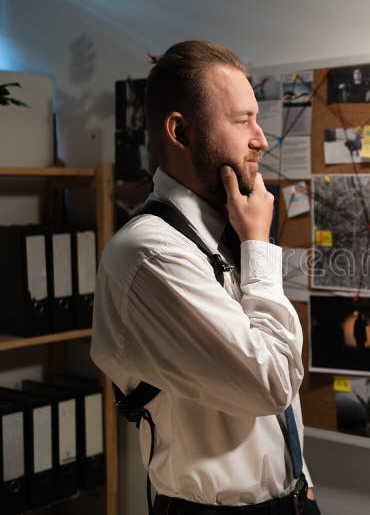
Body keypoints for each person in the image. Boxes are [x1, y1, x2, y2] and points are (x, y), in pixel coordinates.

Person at [90, 40, 320, 514]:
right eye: (241, 121)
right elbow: (272, 382)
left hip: (291, 500)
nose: (261, 139)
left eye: (257, 119)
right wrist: (259, 246)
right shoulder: (150, 255)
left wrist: (302, 482)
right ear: (181, 132)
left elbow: (280, 400)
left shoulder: (224, 230)